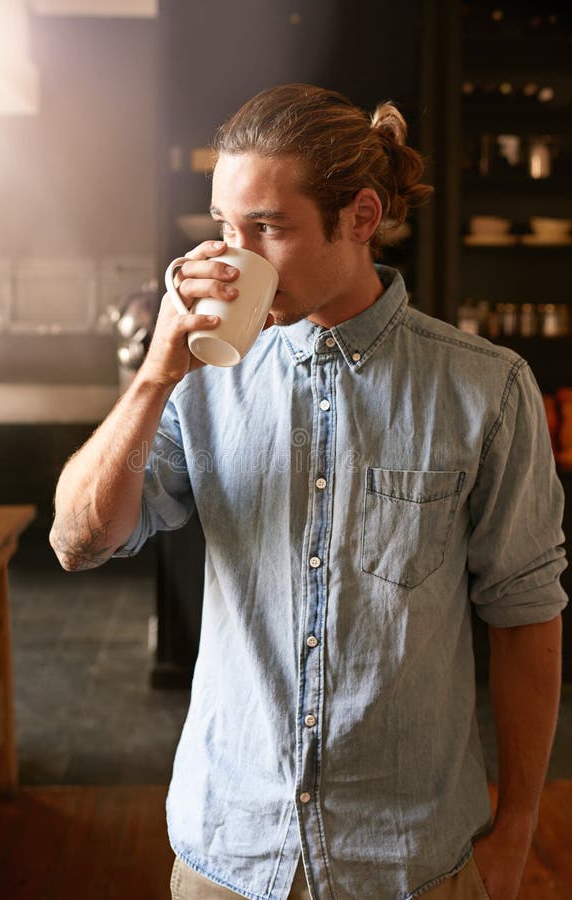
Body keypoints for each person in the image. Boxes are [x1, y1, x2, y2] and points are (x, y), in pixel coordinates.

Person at [50, 84, 567, 900]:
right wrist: (154, 374)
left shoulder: (487, 390)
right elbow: (79, 542)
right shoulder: (198, 382)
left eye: (268, 228)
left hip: (411, 863)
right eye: (225, 227)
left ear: (360, 217)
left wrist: (516, 834)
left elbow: (526, 616)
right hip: (228, 853)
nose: (236, 256)